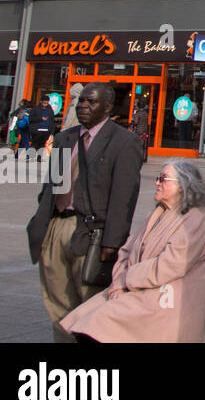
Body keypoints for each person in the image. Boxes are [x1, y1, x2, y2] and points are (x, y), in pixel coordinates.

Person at [25, 82, 142, 342]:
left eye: (91, 102)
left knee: (90, 300)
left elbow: (124, 198)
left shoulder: (124, 142)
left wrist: (113, 242)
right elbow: (50, 184)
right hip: (56, 227)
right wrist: (41, 221)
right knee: (56, 300)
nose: (84, 106)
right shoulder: (67, 137)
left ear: (108, 107)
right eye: (81, 102)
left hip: (92, 232)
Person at [60, 158, 205, 342]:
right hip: (139, 290)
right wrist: (119, 282)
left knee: (98, 322)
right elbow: (127, 250)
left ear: (183, 185)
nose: (157, 182)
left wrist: (126, 280)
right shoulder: (160, 212)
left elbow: (170, 266)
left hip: (166, 300)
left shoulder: (195, 218)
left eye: (163, 178)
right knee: (84, 319)